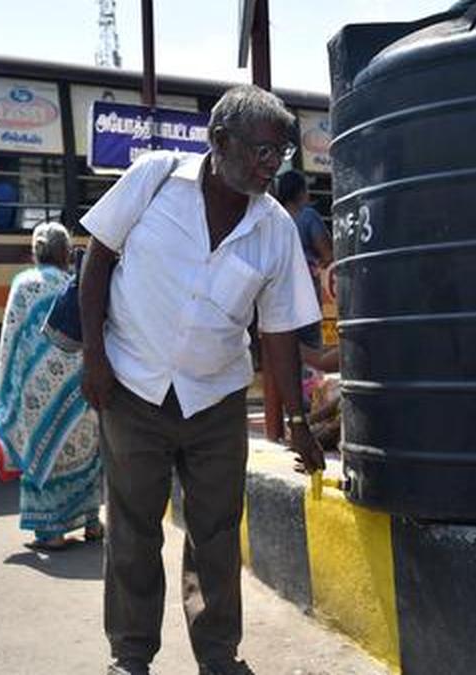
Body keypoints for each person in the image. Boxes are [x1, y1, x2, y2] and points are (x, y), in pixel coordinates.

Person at [79, 85, 326, 675]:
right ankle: (131, 656)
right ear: (219, 142)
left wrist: (296, 421)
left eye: (282, 153)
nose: (273, 165)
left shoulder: (274, 229)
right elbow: (98, 258)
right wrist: (95, 357)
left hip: (215, 402)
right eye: (262, 151)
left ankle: (218, 655)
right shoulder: (155, 179)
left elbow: (279, 333)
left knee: (216, 533)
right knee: (135, 530)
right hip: (132, 387)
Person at [0, 222, 103, 551]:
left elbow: (11, 340)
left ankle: (51, 532)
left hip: (37, 392)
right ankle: (91, 523)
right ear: (66, 253)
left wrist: (7, 388)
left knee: (44, 452)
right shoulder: (73, 283)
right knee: (84, 451)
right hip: (77, 386)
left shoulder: (23, 285)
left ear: (36, 252)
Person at [275, 170, 332, 350]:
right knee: (313, 345)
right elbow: (327, 255)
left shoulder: (273, 219)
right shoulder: (308, 216)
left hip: (279, 295)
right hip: (309, 293)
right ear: (300, 192)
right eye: (306, 189)